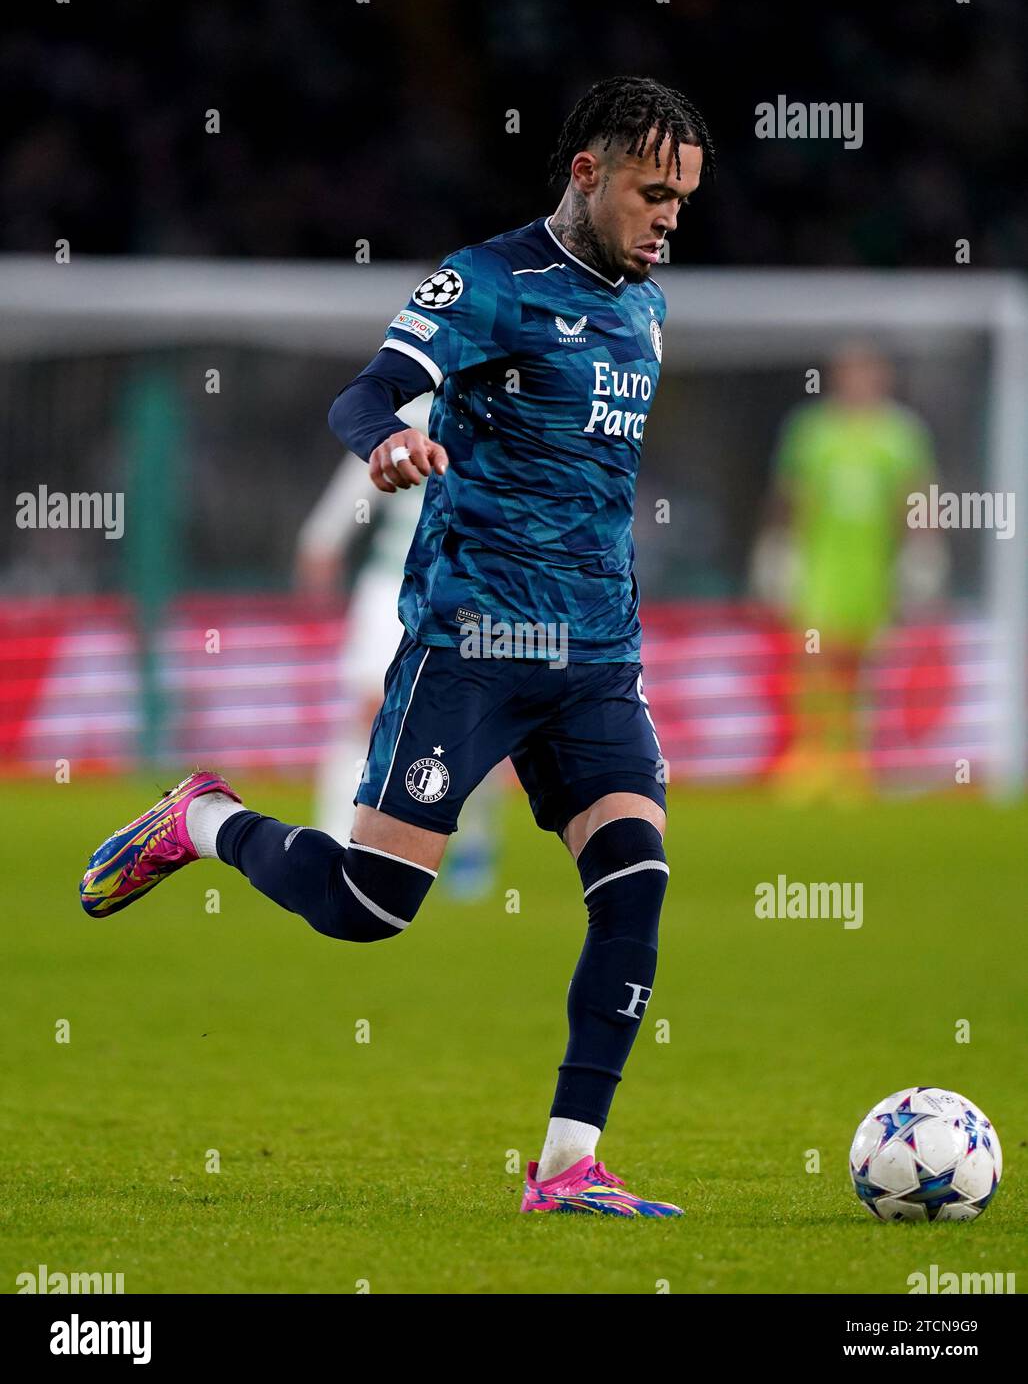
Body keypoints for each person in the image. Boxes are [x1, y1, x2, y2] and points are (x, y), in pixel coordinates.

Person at [81, 76, 713, 1217]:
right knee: (369, 906)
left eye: (682, 200)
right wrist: (385, 446)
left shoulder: (646, 309)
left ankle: (568, 1163)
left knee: (635, 882)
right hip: (468, 640)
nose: (669, 217)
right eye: (651, 192)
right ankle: (203, 820)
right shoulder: (482, 282)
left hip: (595, 659)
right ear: (585, 172)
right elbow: (366, 392)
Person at [295, 393, 498, 897]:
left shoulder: (513, 409)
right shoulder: (414, 413)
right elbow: (359, 480)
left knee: (473, 721)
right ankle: (333, 844)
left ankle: (470, 846)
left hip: (476, 594)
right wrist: (323, 540)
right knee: (370, 713)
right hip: (396, 584)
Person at [755, 343, 941, 800]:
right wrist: (778, 548)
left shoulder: (900, 434)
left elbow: (916, 497)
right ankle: (813, 756)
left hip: (874, 566)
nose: (858, 380)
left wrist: (923, 552)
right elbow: (790, 493)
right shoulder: (812, 430)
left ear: (882, 377)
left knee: (864, 664)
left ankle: (854, 762)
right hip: (822, 564)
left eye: (867, 372)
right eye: (850, 372)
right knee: (815, 659)